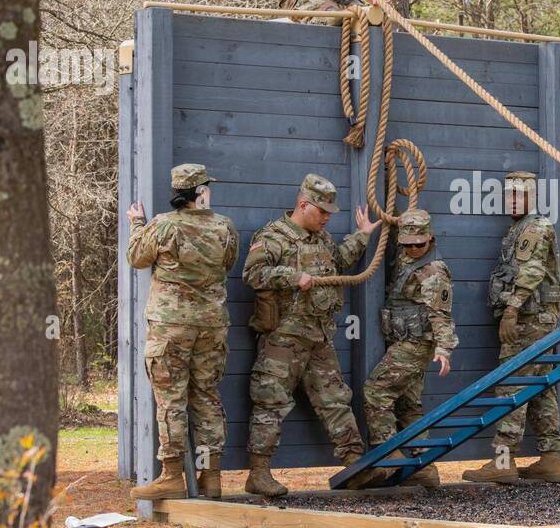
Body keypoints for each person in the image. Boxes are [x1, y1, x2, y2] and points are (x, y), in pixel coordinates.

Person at [242, 173, 382, 493]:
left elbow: (339, 261)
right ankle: (258, 473)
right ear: (304, 205)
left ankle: (355, 465)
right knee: (270, 401)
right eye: (322, 211)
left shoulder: (323, 239)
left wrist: (362, 235)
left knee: (335, 400)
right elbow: (252, 273)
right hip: (284, 338)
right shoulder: (274, 236)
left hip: (318, 336)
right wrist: (293, 276)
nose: (327, 218)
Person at [126, 164, 239, 501]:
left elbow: (136, 258)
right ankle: (211, 476)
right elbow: (228, 264)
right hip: (212, 325)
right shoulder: (225, 227)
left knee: (171, 398)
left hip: (171, 327)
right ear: (200, 192)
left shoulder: (163, 226)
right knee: (206, 395)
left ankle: (173, 475)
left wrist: (136, 223)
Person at [464, 171, 560, 484]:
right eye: (508, 196)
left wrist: (511, 309)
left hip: (528, 319)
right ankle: (551, 459)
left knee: (513, 383)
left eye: (518, 196)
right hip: (539, 319)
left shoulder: (534, 227)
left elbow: (533, 270)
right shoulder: (521, 227)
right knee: (540, 389)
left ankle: (503, 460)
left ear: (531, 197)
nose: (512, 201)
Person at [362, 209, 458, 488]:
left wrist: (444, 349)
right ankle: (423, 467)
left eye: (419, 244)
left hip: (414, 344)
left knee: (376, 391)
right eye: (407, 244)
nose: (413, 249)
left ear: (430, 239)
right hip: (403, 339)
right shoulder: (406, 254)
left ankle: (388, 453)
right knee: (408, 404)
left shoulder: (434, 271)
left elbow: (441, 314)